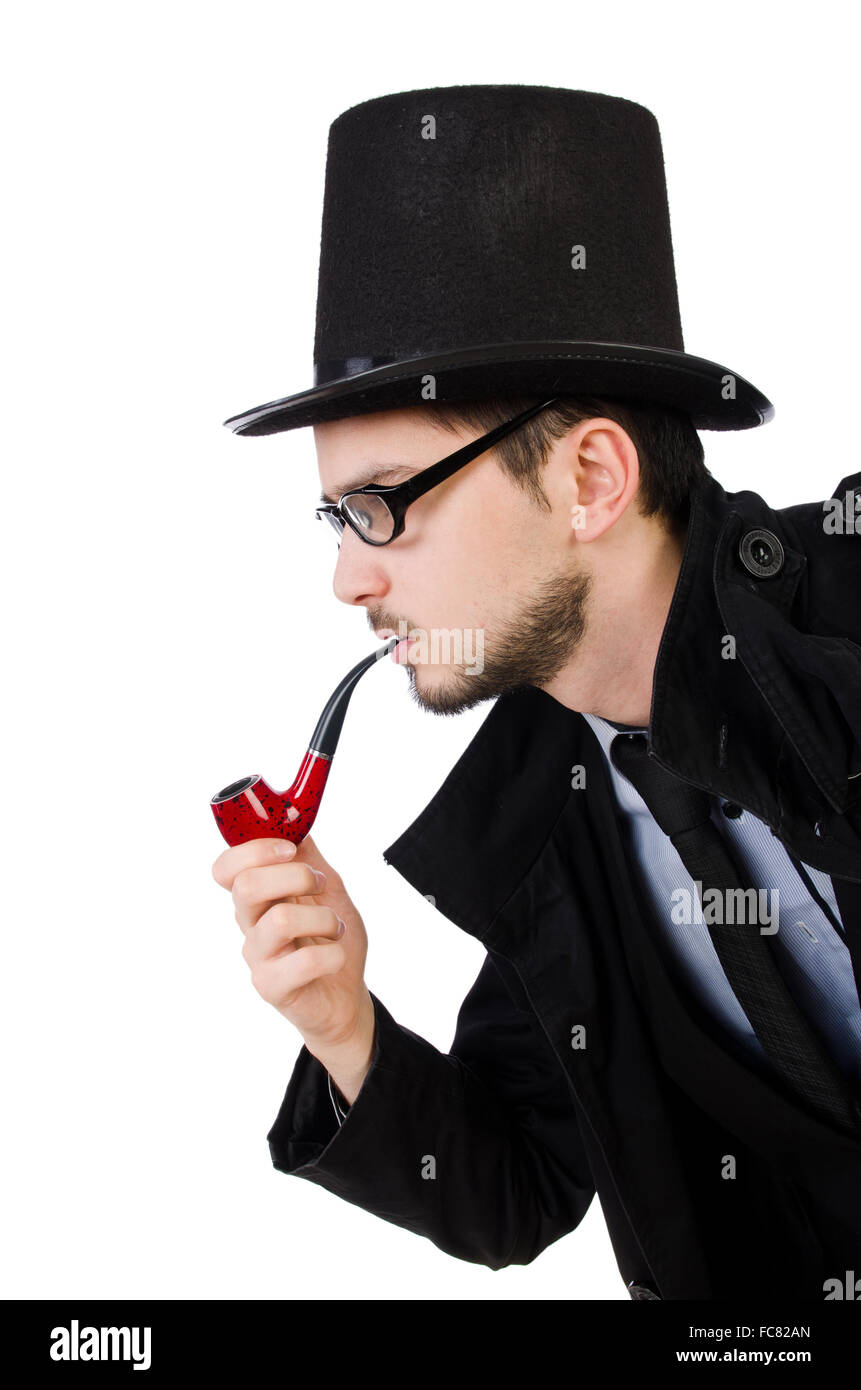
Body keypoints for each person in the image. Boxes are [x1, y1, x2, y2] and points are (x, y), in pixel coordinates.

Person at [211, 85, 861, 1299]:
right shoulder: (551, 814)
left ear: (591, 478)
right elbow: (516, 1183)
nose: (349, 577)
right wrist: (343, 1022)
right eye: (333, 516)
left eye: (384, 504)